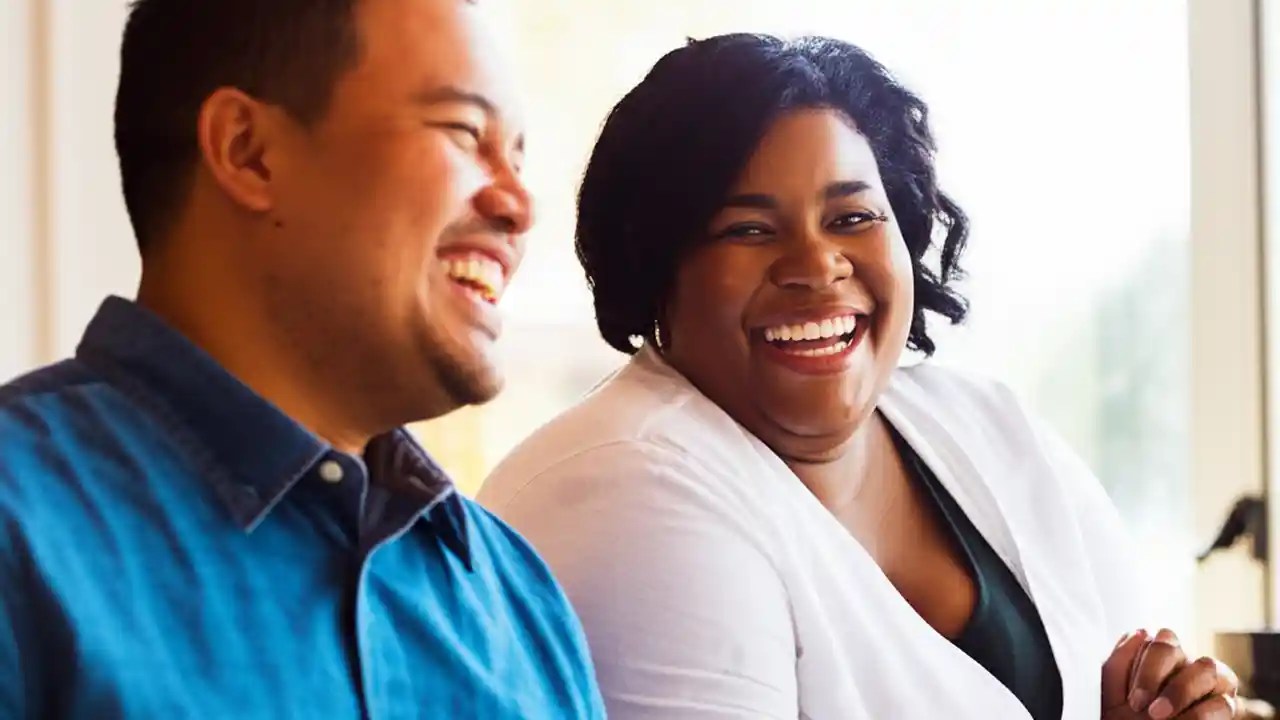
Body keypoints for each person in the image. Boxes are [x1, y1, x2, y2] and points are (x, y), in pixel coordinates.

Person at [479, 34, 1239, 720]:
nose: (816, 266)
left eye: (851, 219)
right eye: (747, 229)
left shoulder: (991, 426)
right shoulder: (626, 492)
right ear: (655, 267)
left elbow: (1130, 660)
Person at [0, 0, 605, 717]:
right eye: (464, 131)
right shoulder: (19, 526)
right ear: (249, 151)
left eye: (519, 155)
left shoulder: (519, 601)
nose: (519, 204)